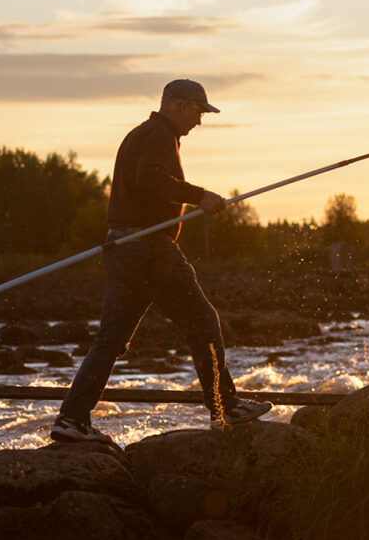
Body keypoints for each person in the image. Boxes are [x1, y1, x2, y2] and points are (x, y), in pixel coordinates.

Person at [51, 79, 271, 443]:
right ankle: (226, 407)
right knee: (202, 321)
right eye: (199, 112)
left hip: (120, 249)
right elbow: (151, 180)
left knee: (110, 340)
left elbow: (146, 182)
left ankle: (71, 420)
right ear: (180, 105)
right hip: (148, 249)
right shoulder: (159, 135)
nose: (199, 121)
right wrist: (199, 196)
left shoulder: (139, 134)